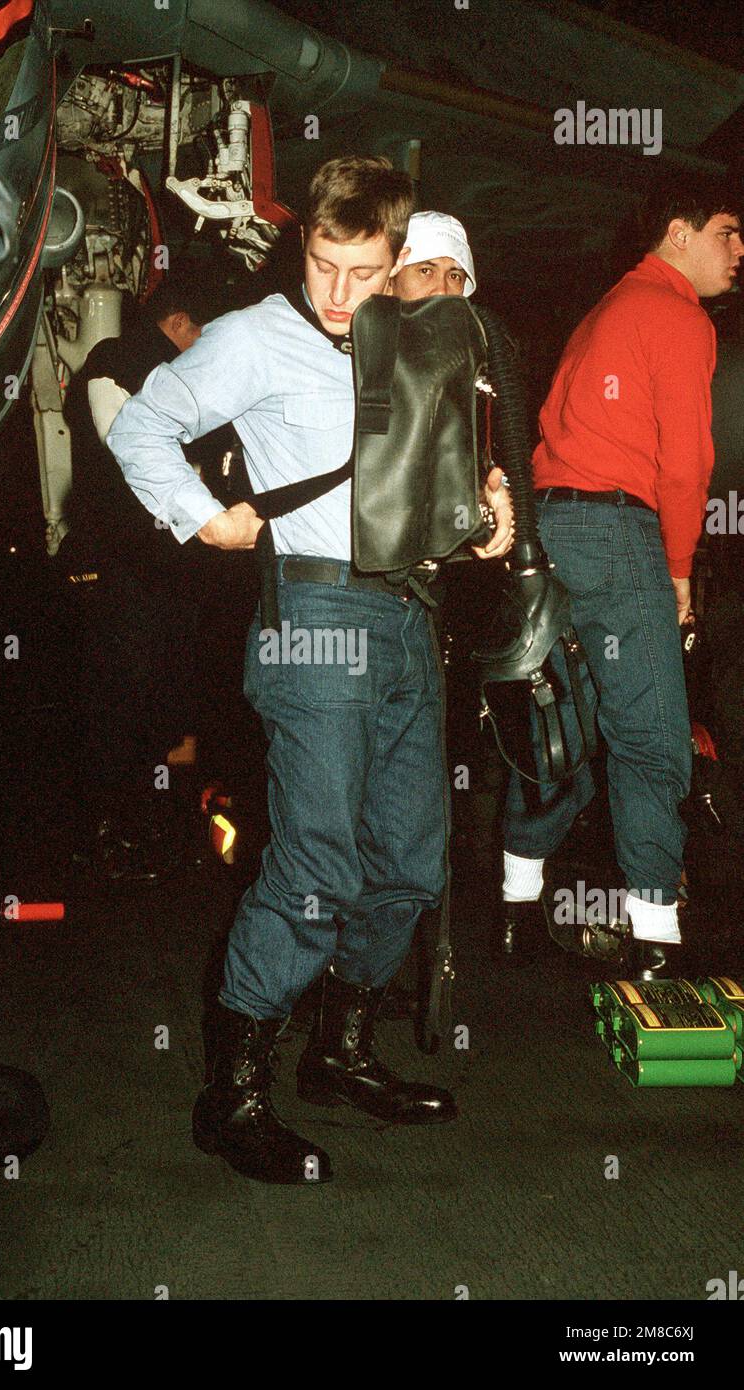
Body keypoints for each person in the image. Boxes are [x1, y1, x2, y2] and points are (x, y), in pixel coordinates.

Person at [108, 156, 514, 1184]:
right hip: (314, 614)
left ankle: (338, 1053)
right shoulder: (258, 337)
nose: (340, 291)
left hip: (407, 616)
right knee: (317, 863)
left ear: (397, 258)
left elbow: (431, 488)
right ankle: (231, 1093)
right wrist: (202, 516)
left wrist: (482, 526)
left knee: (411, 867)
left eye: (364, 268)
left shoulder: (416, 344)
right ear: (304, 249)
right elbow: (143, 422)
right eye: (324, 264)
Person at [499, 180, 743, 973]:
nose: (739, 252)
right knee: (652, 739)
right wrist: (676, 573)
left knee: (560, 729)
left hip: (547, 531)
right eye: (728, 234)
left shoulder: (604, 309)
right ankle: (654, 939)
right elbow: (686, 462)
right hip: (614, 530)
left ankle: (514, 904)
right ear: (679, 233)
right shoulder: (675, 314)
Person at [63, 270, 224, 882]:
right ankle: (109, 833)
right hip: (127, 566)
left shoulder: (165, 375)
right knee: (120, 698)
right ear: (180, 324)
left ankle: (149, 827)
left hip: (160, 569)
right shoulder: (121, 360)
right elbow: (125, 446)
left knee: (155, 697)